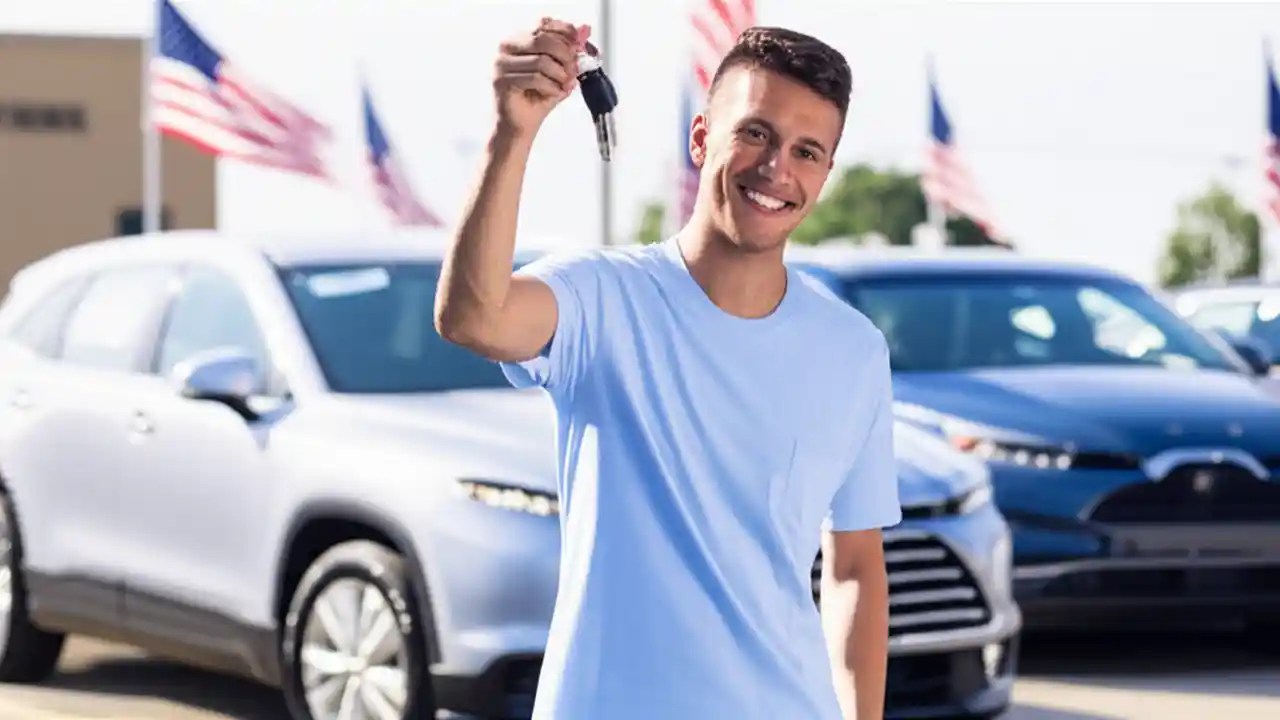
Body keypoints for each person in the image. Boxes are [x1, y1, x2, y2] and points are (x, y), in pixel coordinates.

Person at [435, 17, 901, 720]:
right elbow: (473, 317)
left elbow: (857, 565)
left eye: (807, 151)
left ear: (825, 175)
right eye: (756, 133)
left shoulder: (854, 351)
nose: (777, 168)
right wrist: (513, 132)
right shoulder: (601, 297)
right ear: (701, 138)